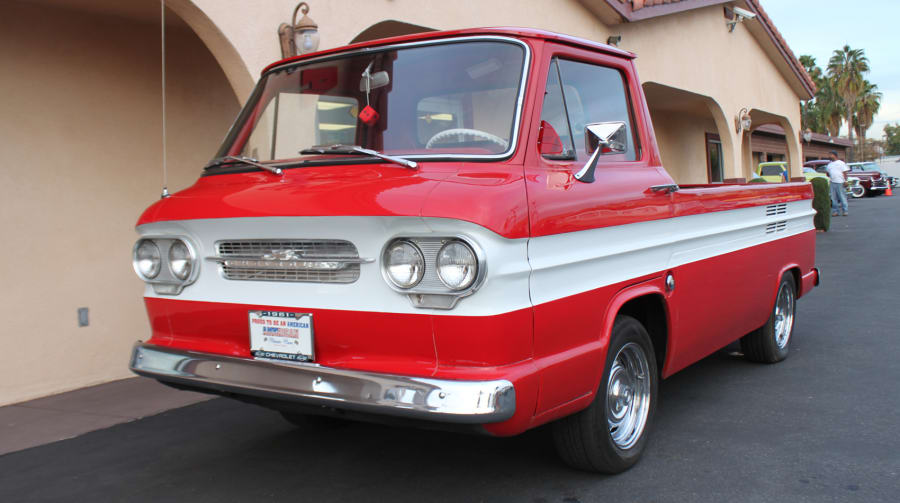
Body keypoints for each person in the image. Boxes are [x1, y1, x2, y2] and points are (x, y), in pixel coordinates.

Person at [825, 151, 850, 216]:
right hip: (832, 182)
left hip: (840, 182)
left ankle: (845, 211)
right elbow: (827, 173)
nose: (829, 156)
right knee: (833, 198)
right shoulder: (829, 164)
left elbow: (845, 172)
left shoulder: (841, 163)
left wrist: (846, 181)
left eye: (830, 155)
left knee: (842, 197)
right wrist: (830, 174)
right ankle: (835, 211)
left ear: (835, 155)